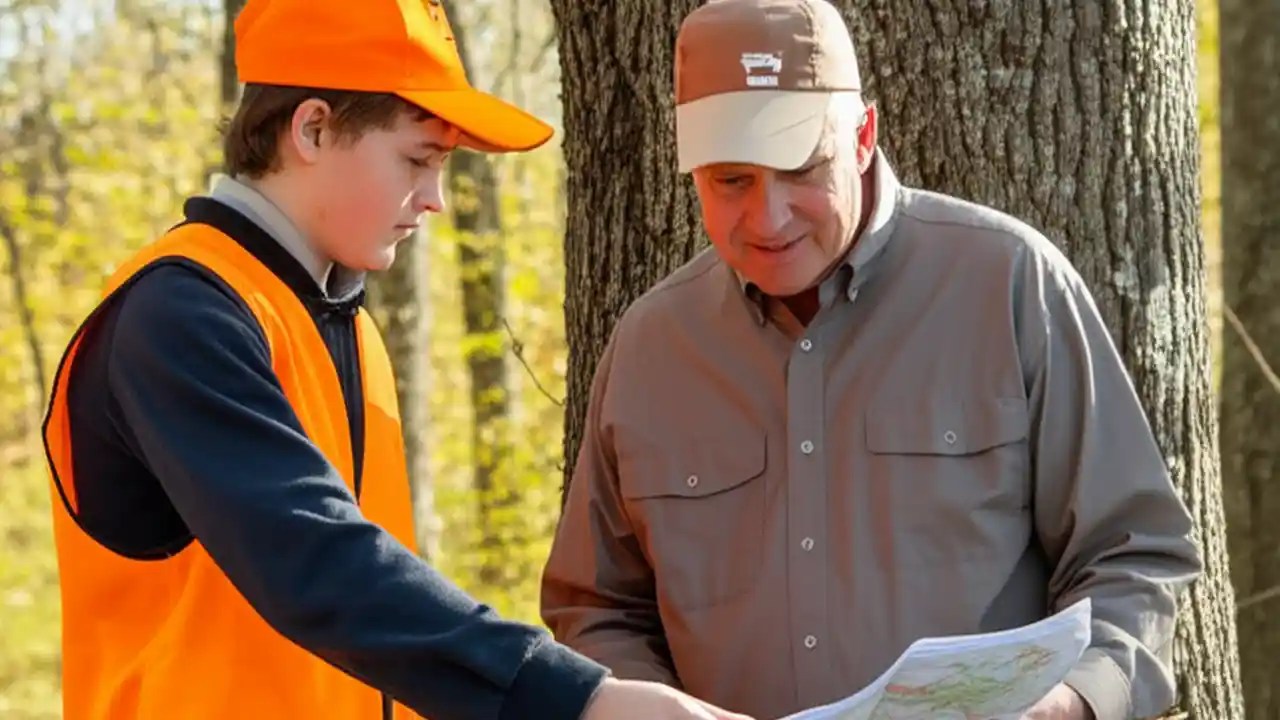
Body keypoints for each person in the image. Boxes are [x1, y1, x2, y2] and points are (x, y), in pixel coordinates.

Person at [39, 1, 758, 719]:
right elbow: (318, 564)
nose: (436, 199)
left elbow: (377, 623)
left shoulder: (342, 322)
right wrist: (581, 700)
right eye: (418, 159)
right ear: (313, 129)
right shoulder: (177, 317)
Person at [539, 0, 1203, 718]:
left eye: (801, 169)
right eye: (732, 180)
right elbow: (596, 609)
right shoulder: (651, 348)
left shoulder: (1010, 287)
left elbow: (1136, 557)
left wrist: (1074, 703)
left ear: (861, 136)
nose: (769, 218)